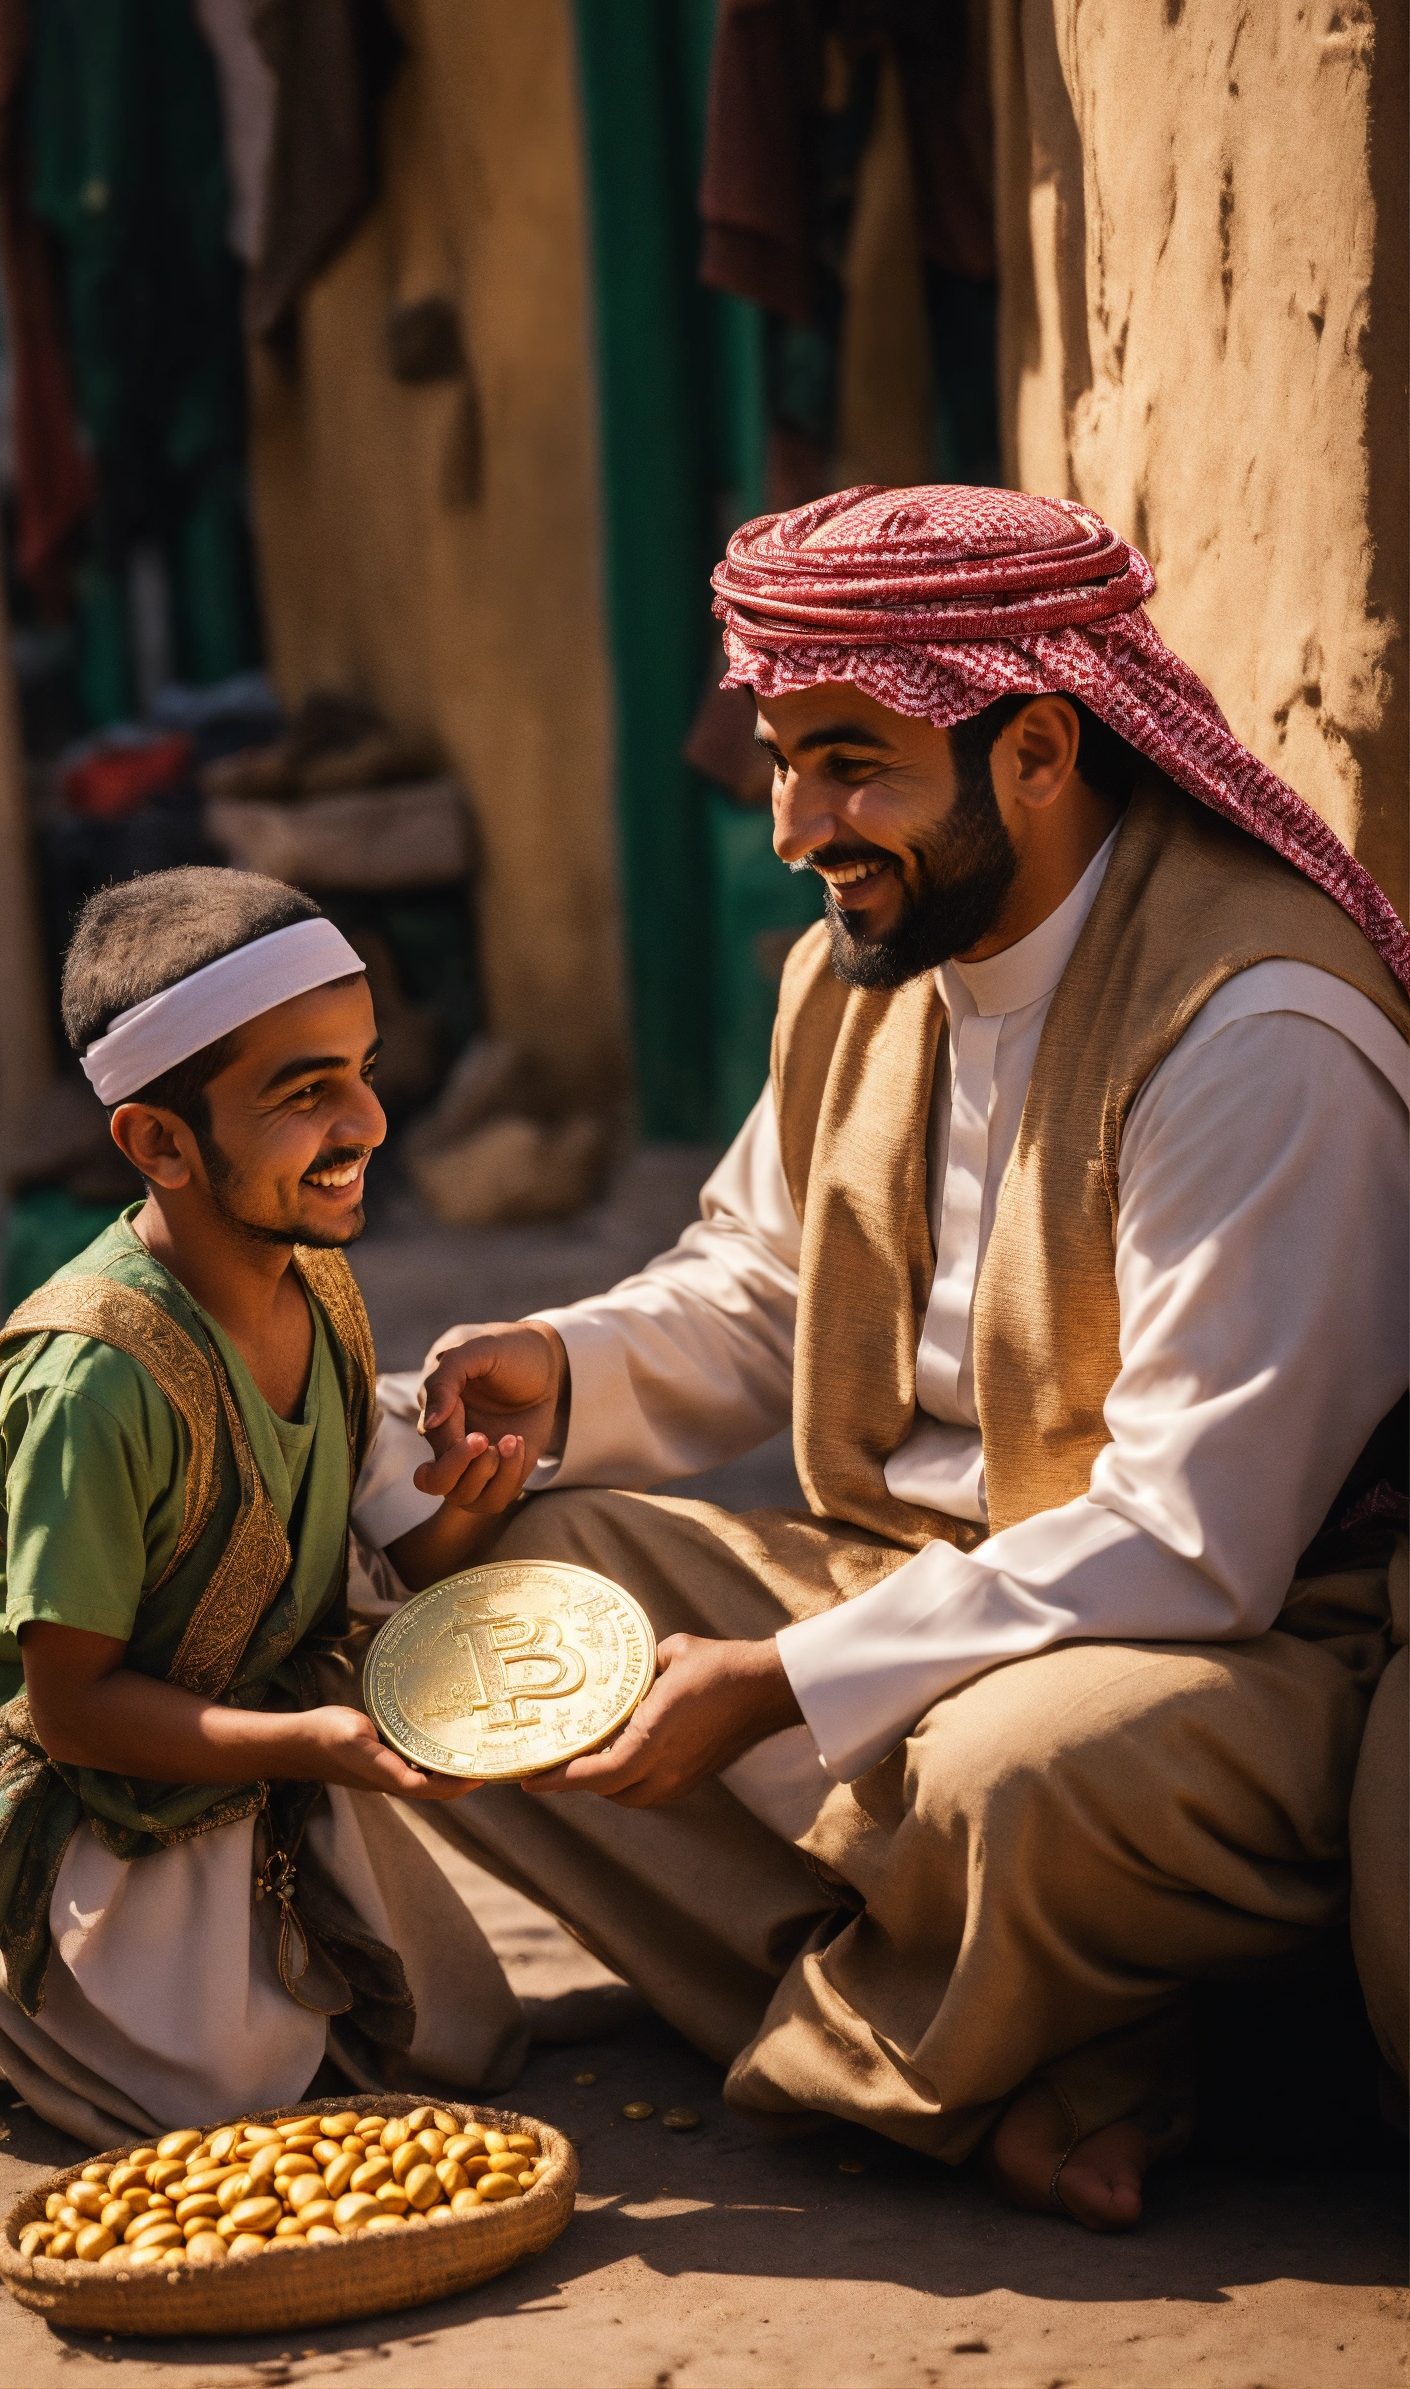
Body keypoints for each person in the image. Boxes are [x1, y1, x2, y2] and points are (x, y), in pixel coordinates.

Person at [350, 485, 1410, 2233]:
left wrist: (782, 1682)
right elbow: (768, 1283)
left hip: (1238, 1667)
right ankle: (1053, 2041)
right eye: (780, 762)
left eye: (849, 764)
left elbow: (1190, 1537)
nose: (795, 827)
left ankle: (880, 2054)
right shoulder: (861, 969)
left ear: (1041, 748)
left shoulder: (1257, 1032)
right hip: (912, 1583)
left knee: (1012, 1775)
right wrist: (564, 1363)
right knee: (453, 1606)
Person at [0, 868, 522, 2145]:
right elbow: (73, 1708)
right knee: (219, 2099)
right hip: (46, 1770)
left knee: (455, 2039)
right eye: (305, 1093)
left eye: (365, 1069)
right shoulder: (96, 1382)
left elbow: (343, 1554)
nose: (370, 1123)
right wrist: (313, 1748)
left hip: (232, 1715)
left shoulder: (315, 1283)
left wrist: (478, 1504)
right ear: (161, 1143)